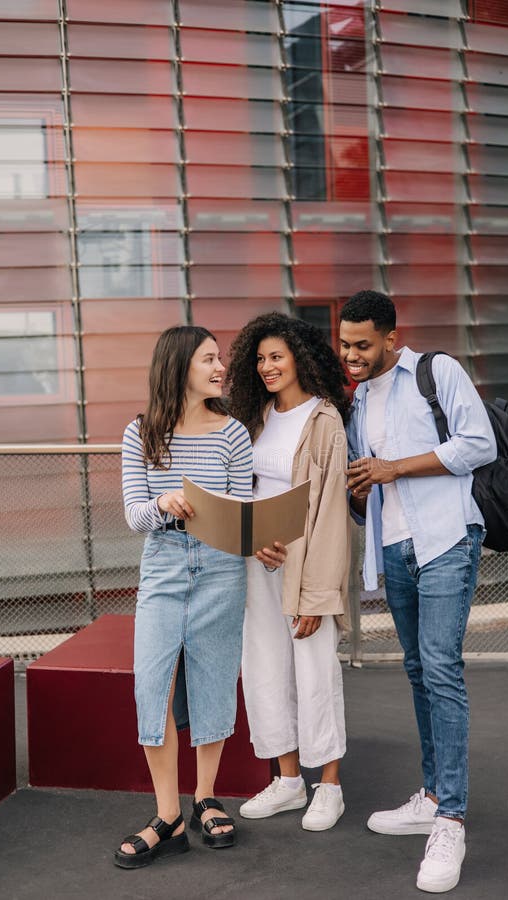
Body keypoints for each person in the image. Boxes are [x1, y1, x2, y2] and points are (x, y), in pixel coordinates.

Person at [340, 291, 497, 893]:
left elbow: (477, 444)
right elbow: (366, 492)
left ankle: (451, 819)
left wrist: (394, 467)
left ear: (388, 337)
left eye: (361, 344)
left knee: (440, 667)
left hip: (446, 539)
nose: (350, 354)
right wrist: (362, 494)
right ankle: (431, 794)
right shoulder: (356, 403)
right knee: (416, 668)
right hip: (394, 548)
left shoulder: (436, 371)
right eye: (345, 343)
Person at [115, 325, 284, 868]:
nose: (221, 369)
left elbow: (238, 513)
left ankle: (204, 798)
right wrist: (165, 502)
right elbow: (134, 516)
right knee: (154, 687)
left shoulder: (233, 432)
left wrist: (259, 540)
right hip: (163, 569)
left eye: (221, 360)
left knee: (213, 683)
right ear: (180, 365)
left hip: (221, 571)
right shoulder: (141, 432)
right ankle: (166, 817)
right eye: (210, 359)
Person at [226, 313, 350, 832]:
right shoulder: (254, 418)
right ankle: (288, 781)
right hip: (259, 561)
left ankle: (330, 787)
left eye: (276, 356)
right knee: (265, 668)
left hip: (307, 563)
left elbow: (330, 513)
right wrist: (253, 540)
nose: (267, 366)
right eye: (259, 359)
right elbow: (245, 491)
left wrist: (317, 595)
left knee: (316, 670)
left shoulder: (323, 420)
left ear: (300, 356)